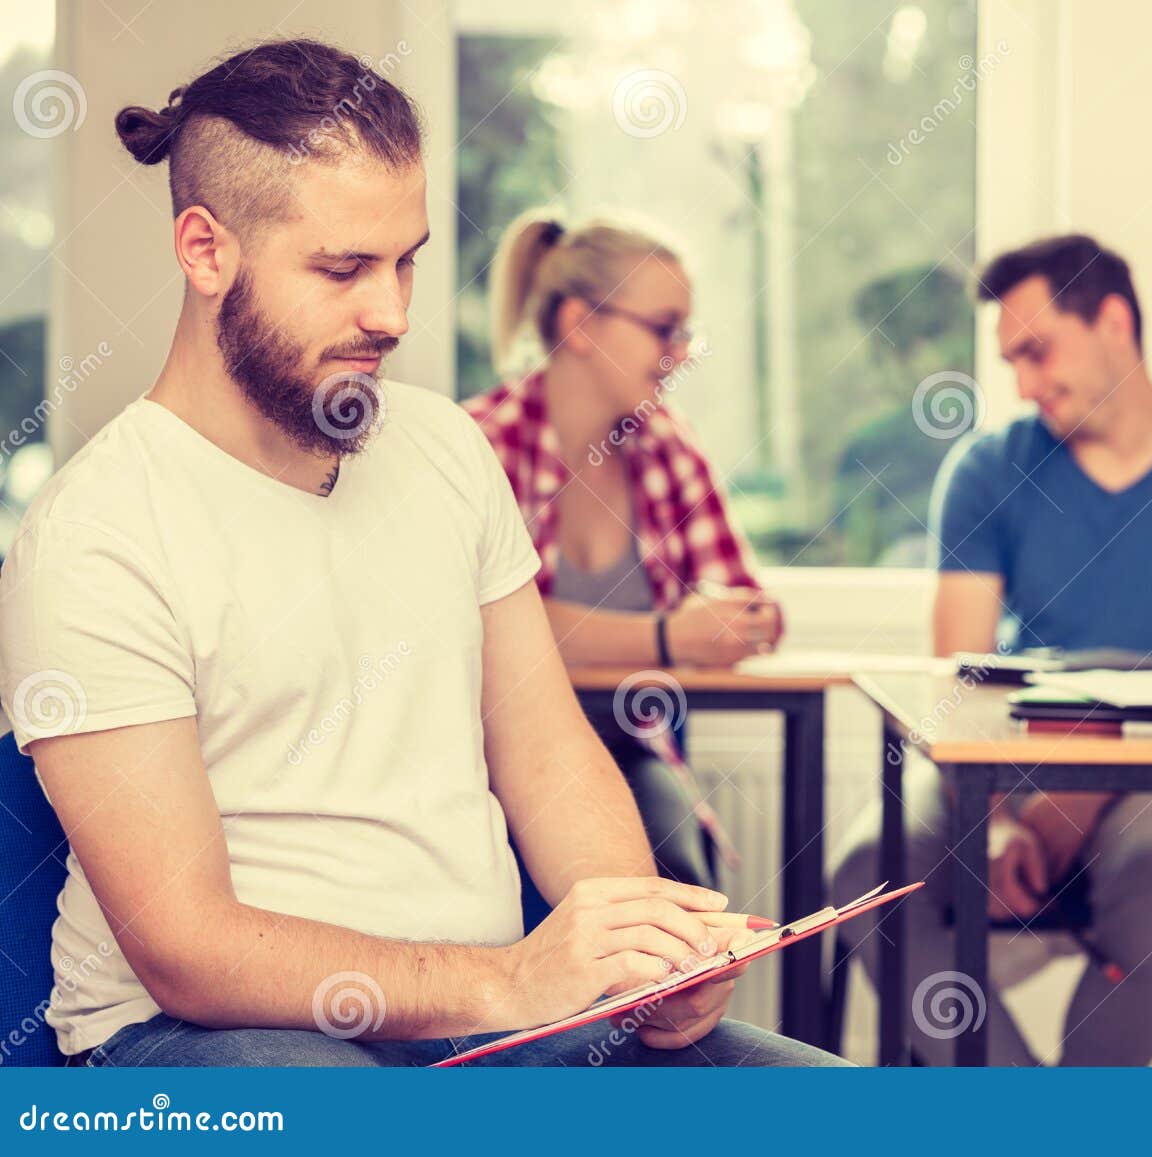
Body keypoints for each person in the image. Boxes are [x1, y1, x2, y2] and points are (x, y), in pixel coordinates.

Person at [0, 38, 839, 1069]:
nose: (392, 314)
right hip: (204, 1035)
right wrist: (509, 980)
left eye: (406, 260)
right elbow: (186, 946)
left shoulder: (443, 447)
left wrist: (637, 952)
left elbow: (546, 750)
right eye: (343, 268)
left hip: (481, 1020)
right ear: (205, 250)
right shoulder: (94, 536)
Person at [832, 233, 1152, 1065]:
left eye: (1038, 351)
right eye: (1011, 359)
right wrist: (1003, 819)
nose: (1023, 383)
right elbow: (954, 687)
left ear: (1114, 321)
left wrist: (1084, 791)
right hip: (1007, 765)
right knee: (868, 871)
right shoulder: (987, 470)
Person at [464, 213, 783, 889]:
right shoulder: (478, 445)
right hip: (490, 757)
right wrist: (670, 636)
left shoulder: (667, 441)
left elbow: (741, 598)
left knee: (682, 907)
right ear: (580, 325)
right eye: (665, 328)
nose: (682, 350)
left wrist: (741, 620)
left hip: (634, 742)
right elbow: (490, 630)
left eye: (685, 331)